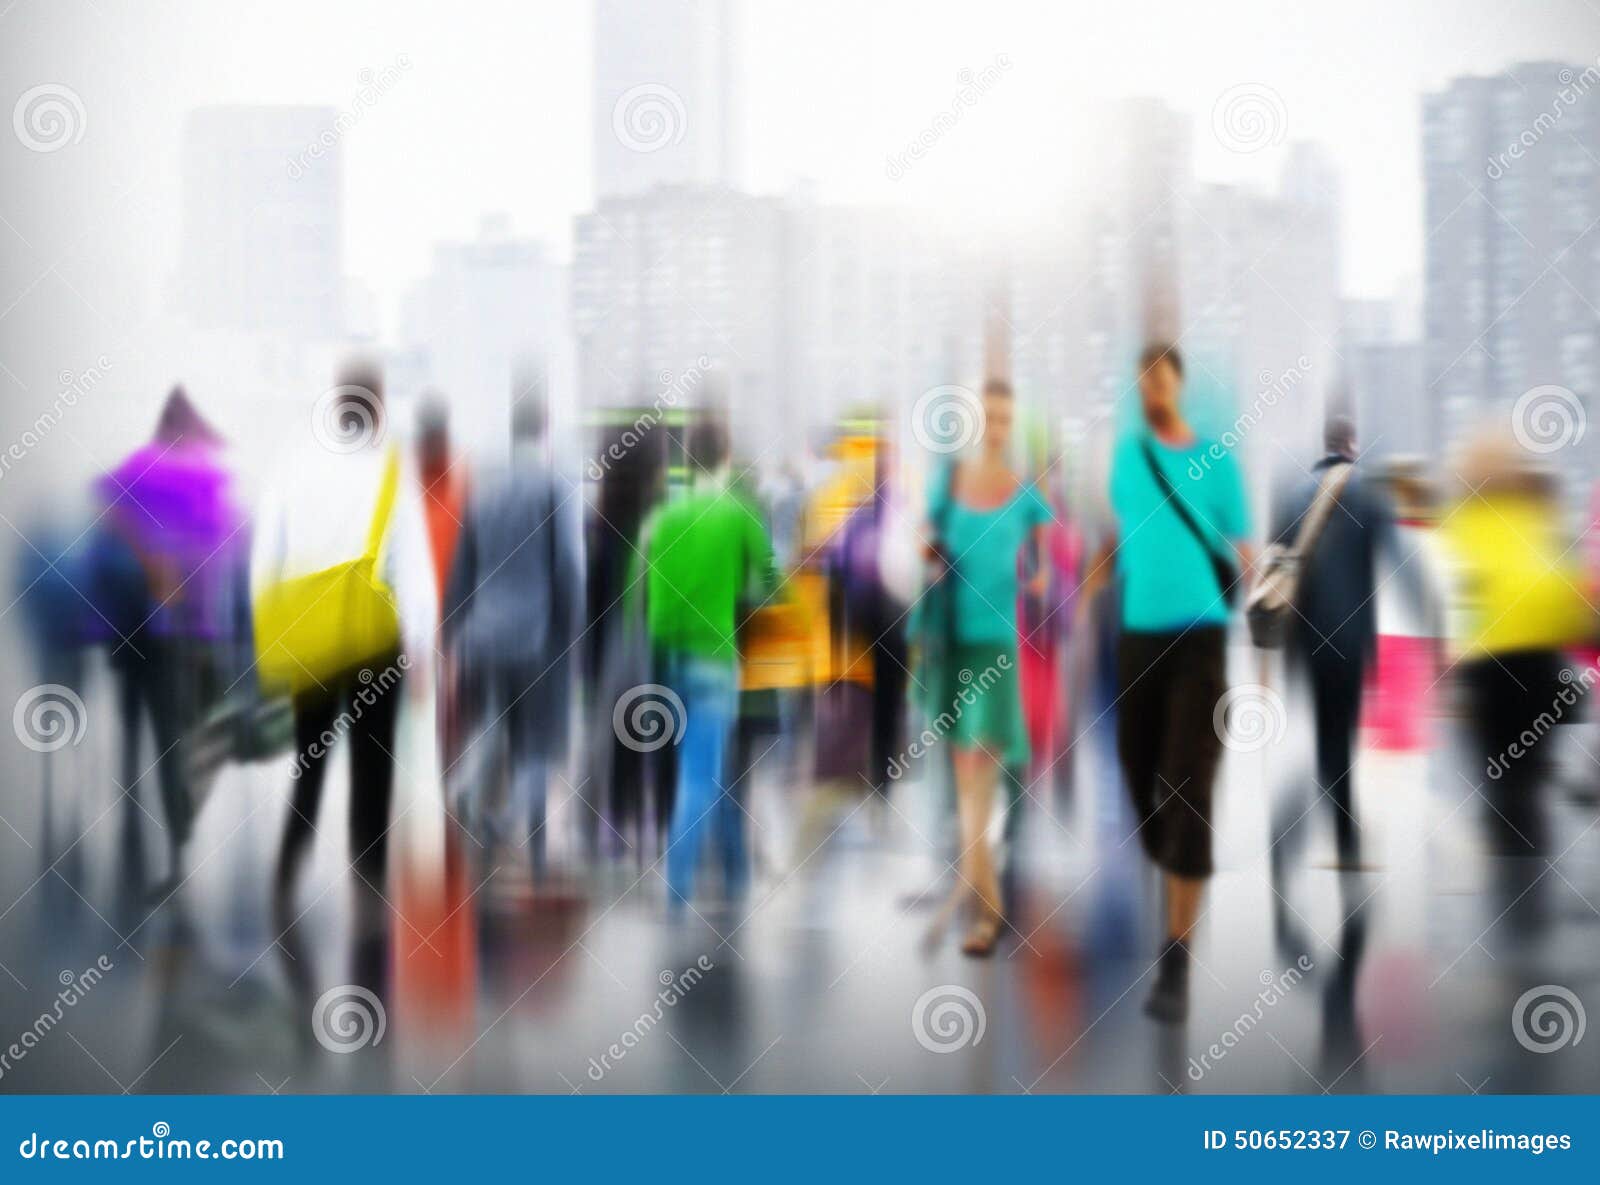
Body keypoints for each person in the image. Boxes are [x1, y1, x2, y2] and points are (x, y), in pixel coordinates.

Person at [1084, 343, 1254, 1021]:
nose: (1150, 386)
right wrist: (1092, 576)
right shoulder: (1128, 458)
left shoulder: (1220, 460)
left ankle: (1175, 960)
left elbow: (1242, 548)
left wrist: (1266, 587)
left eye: (1161, 374)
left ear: (1180, 383)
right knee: (1135, 768)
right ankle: (1169, 844)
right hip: (1137, 634)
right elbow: (1126, 533)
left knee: (1189, 783)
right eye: (1141, 377)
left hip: (1202, 637)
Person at [253, 361, 436, 911]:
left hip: (309, 636)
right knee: (372, 769)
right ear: (377, 409)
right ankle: (368, 891)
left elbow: (266, 556)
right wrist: (422, 647)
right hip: (375, 642)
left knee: (309, 762)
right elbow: (413, 566)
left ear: (337, 404)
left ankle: (286, 874)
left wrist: (271, 636)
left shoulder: (294, 466)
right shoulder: (391, 471)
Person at [915, 378, 1052, 957]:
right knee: (968, 780)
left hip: (996, 648)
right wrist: (931, 554)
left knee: (981, 782)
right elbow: (923, 543)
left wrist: (1034, 575)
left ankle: (982, 912)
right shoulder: (946, 483)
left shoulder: (1025, 494)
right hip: (950, 644)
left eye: (1004, 419)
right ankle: (980, 907)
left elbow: (1045, 569)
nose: (995, 429)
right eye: (988, 418)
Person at [97, 387, 247, 896]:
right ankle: (180, 839)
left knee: (152, 733)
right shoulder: (206, 475)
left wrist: (148, 557)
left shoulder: (137, 470)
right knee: (183, 731)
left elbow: (107, 508)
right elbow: (232, 540)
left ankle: (155, 840)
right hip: (193, 631)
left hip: (146, 627)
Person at [635, 413, 774, 909]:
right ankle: (677, 893)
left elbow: (640, 590)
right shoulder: (737, 512)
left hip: (667, 659)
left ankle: (737, 879)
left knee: (710, 774)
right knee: (702, 779)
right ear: (726, 457)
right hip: (716, 657)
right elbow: (770, 581)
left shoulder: (663, 516)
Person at [442, 395, 582, 883]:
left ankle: (464, 791)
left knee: (492, 729)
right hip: (537, 638)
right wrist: (572, 634)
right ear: (543, 430)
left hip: (483, 636)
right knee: (538, 748)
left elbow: (462, 567)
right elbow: (567, 565)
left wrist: (452, 635)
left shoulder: (484, 491)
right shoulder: (552, 487)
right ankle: (514, 826)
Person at [1267, 415, 1402, 875]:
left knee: (1330, 736)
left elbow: (1274, 566)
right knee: (1339, 739)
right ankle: (1340, 838)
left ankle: (1316, 824)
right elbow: (1403, 564)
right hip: (1352, 639)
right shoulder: (1369, 493)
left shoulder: (1293, 496)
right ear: (1352, 443)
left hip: (1306, 640)